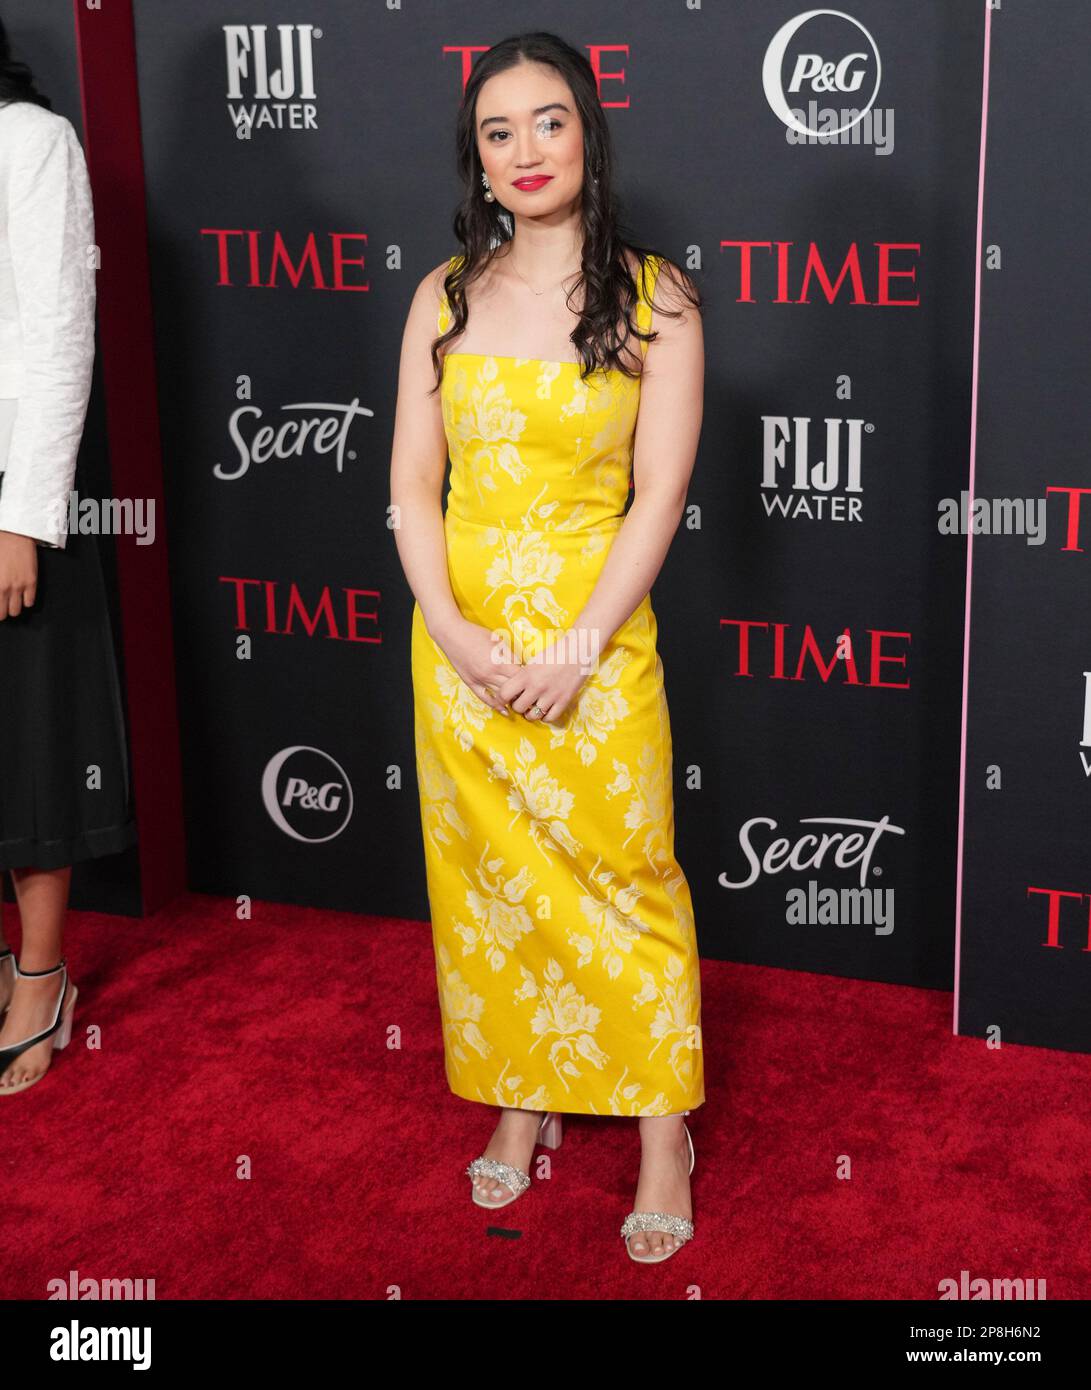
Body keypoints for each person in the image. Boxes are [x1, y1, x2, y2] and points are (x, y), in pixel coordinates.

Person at [391, 32, 705, 1263]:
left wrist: (577, 645)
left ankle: (661, 1129)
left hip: (595, 649)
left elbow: (657, 499)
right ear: (475, 158)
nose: (525, 151)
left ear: (589, 133)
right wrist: (454, 631)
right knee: (487, 892)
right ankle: (520, 1094)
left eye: (549, 122)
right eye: (497, 132)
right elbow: (415, 490)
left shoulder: (653, 295)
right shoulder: (444, 294)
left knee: (627, 883)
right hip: (458, 652)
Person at [0, 23, 137, 1095]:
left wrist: (25, 517)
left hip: (9, 493)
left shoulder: (33, 142)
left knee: (31, 740)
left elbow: (58, 331)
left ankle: (42, 976)